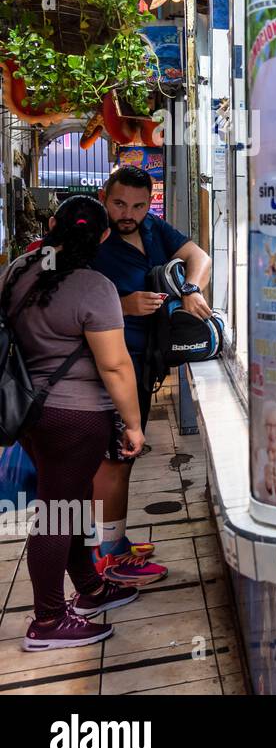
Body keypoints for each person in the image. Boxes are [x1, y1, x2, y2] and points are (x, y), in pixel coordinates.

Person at [2, 197, 145, 651]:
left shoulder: (19, 269)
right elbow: (116, 366)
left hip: (29, 412)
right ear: (103, 236)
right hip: (75, 417)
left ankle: (90, 587)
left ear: (51, 225)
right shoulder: (93, 287)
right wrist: (134, 425)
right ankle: (46, 621)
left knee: (74, 499)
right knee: (57, 512)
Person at [90, 165, 213, 584]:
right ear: (105, 195)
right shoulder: (93, 239)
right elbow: (69, 297)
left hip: (141, 366)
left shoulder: (153, 229)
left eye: (139, 205)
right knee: (115, 460)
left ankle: (113, 542)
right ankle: (109, 555)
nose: (129, 213)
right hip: (105, 372)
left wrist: (190, 289)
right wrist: (122, 306)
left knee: (122, 458)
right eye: (121, 203)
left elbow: (200, 257)